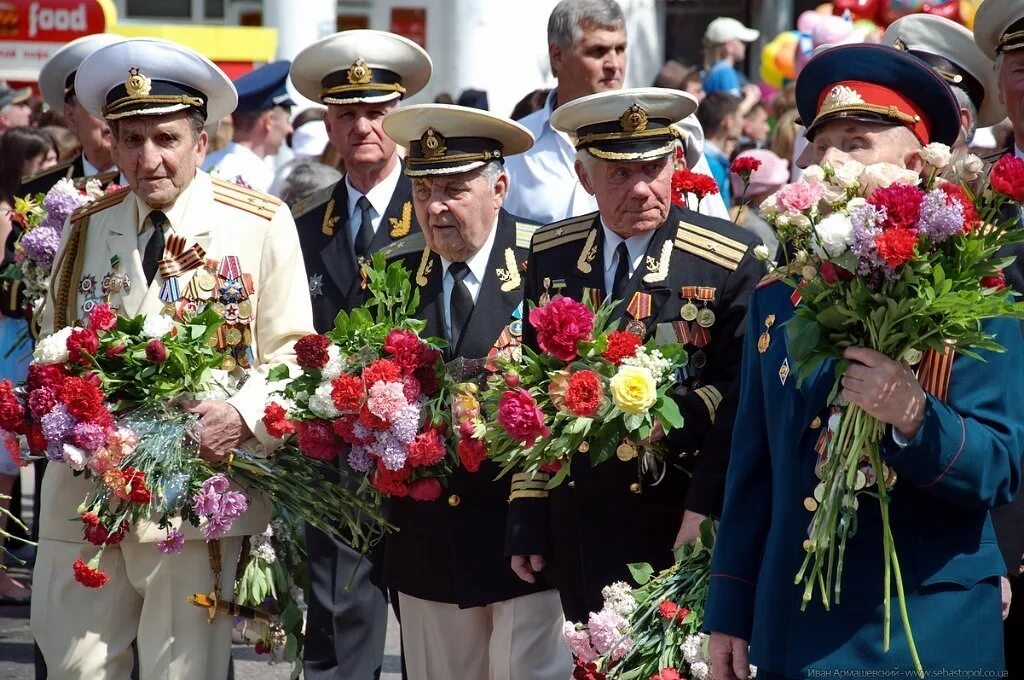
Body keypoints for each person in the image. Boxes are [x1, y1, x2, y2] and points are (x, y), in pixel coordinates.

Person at [705, 43, 1021, 680]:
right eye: (823, 147)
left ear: (915, 163)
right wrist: (730, 608)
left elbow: (999, 466)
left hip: (927, 623)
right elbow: (753, 469)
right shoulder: (779, 297)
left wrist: (914, 416)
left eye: (857, 144)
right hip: (801, 625)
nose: (832, 164)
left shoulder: (973, 287)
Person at [30, 37, 313, 679]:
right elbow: (53, 341)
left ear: (201, 143)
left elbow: (296, 354)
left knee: (181, 672)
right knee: (75, 667)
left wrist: (241, 417)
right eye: (131, 140)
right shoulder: (87, 224)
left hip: (194, 497)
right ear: (111, 142)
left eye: (166, 139)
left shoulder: (258, 223)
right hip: (87, 494)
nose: (148, 159)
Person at [506, 87, 765, 621]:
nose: (642, 189)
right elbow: (535, 387)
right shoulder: (553, 252)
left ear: (676, 163)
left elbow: (743, 398)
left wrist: (706, 507)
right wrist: (528, 511)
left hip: (678, 511)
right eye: (620, 174)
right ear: (585, 178)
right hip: (583, 517)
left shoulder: (726, 259)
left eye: (652, 169)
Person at [379, 103, 570, 680]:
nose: (435, 207)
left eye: (454, 190)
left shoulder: (550, 258)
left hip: (525, 536)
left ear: (499, 189)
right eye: (423, 190)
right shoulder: (390, 271)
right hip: (428, 541)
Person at [288, 29, 431, 680]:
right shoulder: (304, 224)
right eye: (347, 114)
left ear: (398, 118)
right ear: (328, 124)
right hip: (336, 450)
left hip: (424, 447)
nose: (363, 127)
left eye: (377, 112)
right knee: (337, 614)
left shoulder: (435, 205)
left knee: (431, 618)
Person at [503, 0, 730, 225]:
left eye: (620, 49)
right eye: (598, 51)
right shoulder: (518, 145)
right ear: (557, 56)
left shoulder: (669, 134)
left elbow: (715, 228)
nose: (614, 64)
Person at [19, 34, 123, 197]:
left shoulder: (151, 185)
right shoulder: (40, 189)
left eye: (120, 106)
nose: (111, 117)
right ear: (71, 117)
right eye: (97, 107)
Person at [203, 60, 294, 193]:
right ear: (269, 121)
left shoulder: (207, 163)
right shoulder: (260, 178)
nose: (290, 129)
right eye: (287, 120)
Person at [728, 148, 786, 256]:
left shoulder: (731, 215)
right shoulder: (761, 231)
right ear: (760, 193)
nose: (785, 189)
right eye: (780, 185)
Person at [701, 16, 761, 111]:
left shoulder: (710, 72)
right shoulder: (725, 72)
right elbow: (731, 114)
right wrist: (751, 98)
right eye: (742, 41)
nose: (745, 46)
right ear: (729, 47)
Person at [697, 92, 743, 205]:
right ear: (728, 122)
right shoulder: (711, 165)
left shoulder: (707, 157)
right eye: (741, 117)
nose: (743, 122)